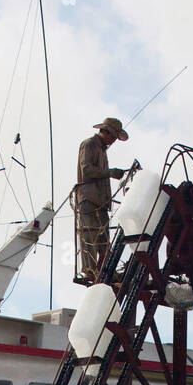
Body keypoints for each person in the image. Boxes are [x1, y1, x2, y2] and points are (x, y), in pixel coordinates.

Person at [75, 116, 129, 282]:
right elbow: (87, 170)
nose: (113, 141)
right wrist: (110, 172)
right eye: (112, 137)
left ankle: (106, 271)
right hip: (88, 200)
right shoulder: (89, 144)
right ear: (105, 132)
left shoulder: (102, 150)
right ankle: (90, 271)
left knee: (104, 241)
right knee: (89, 236)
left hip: (101, 203)